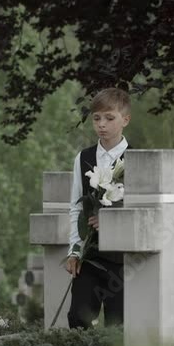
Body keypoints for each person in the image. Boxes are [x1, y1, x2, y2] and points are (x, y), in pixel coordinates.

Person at [63, 88, 132, 329]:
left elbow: (145, 213)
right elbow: (75, 207)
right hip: (91, 255)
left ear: (125, 119)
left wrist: (112, 222)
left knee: (119, 324)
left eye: (109, 118)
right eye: (96, 118)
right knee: (78, 318)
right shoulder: (83, 158)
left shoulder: (139, 158)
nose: (102, 124)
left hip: (123, 258)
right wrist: (74, 250)